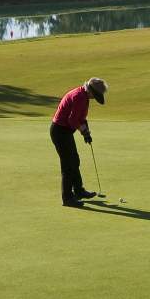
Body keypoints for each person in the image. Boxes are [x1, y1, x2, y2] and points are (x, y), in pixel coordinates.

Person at [50, 77, 106, 207]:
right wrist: (83, 131)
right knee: (68, 165)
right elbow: (72, 120)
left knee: (74, 160)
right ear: (91, 91)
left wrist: (86, 132)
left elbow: (81, 118)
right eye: (96, 95)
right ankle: (67, 198)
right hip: (60, 131)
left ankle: (79, 191)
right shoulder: (79, 97)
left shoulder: (83, 96)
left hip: (65, 131)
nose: (95, 98)